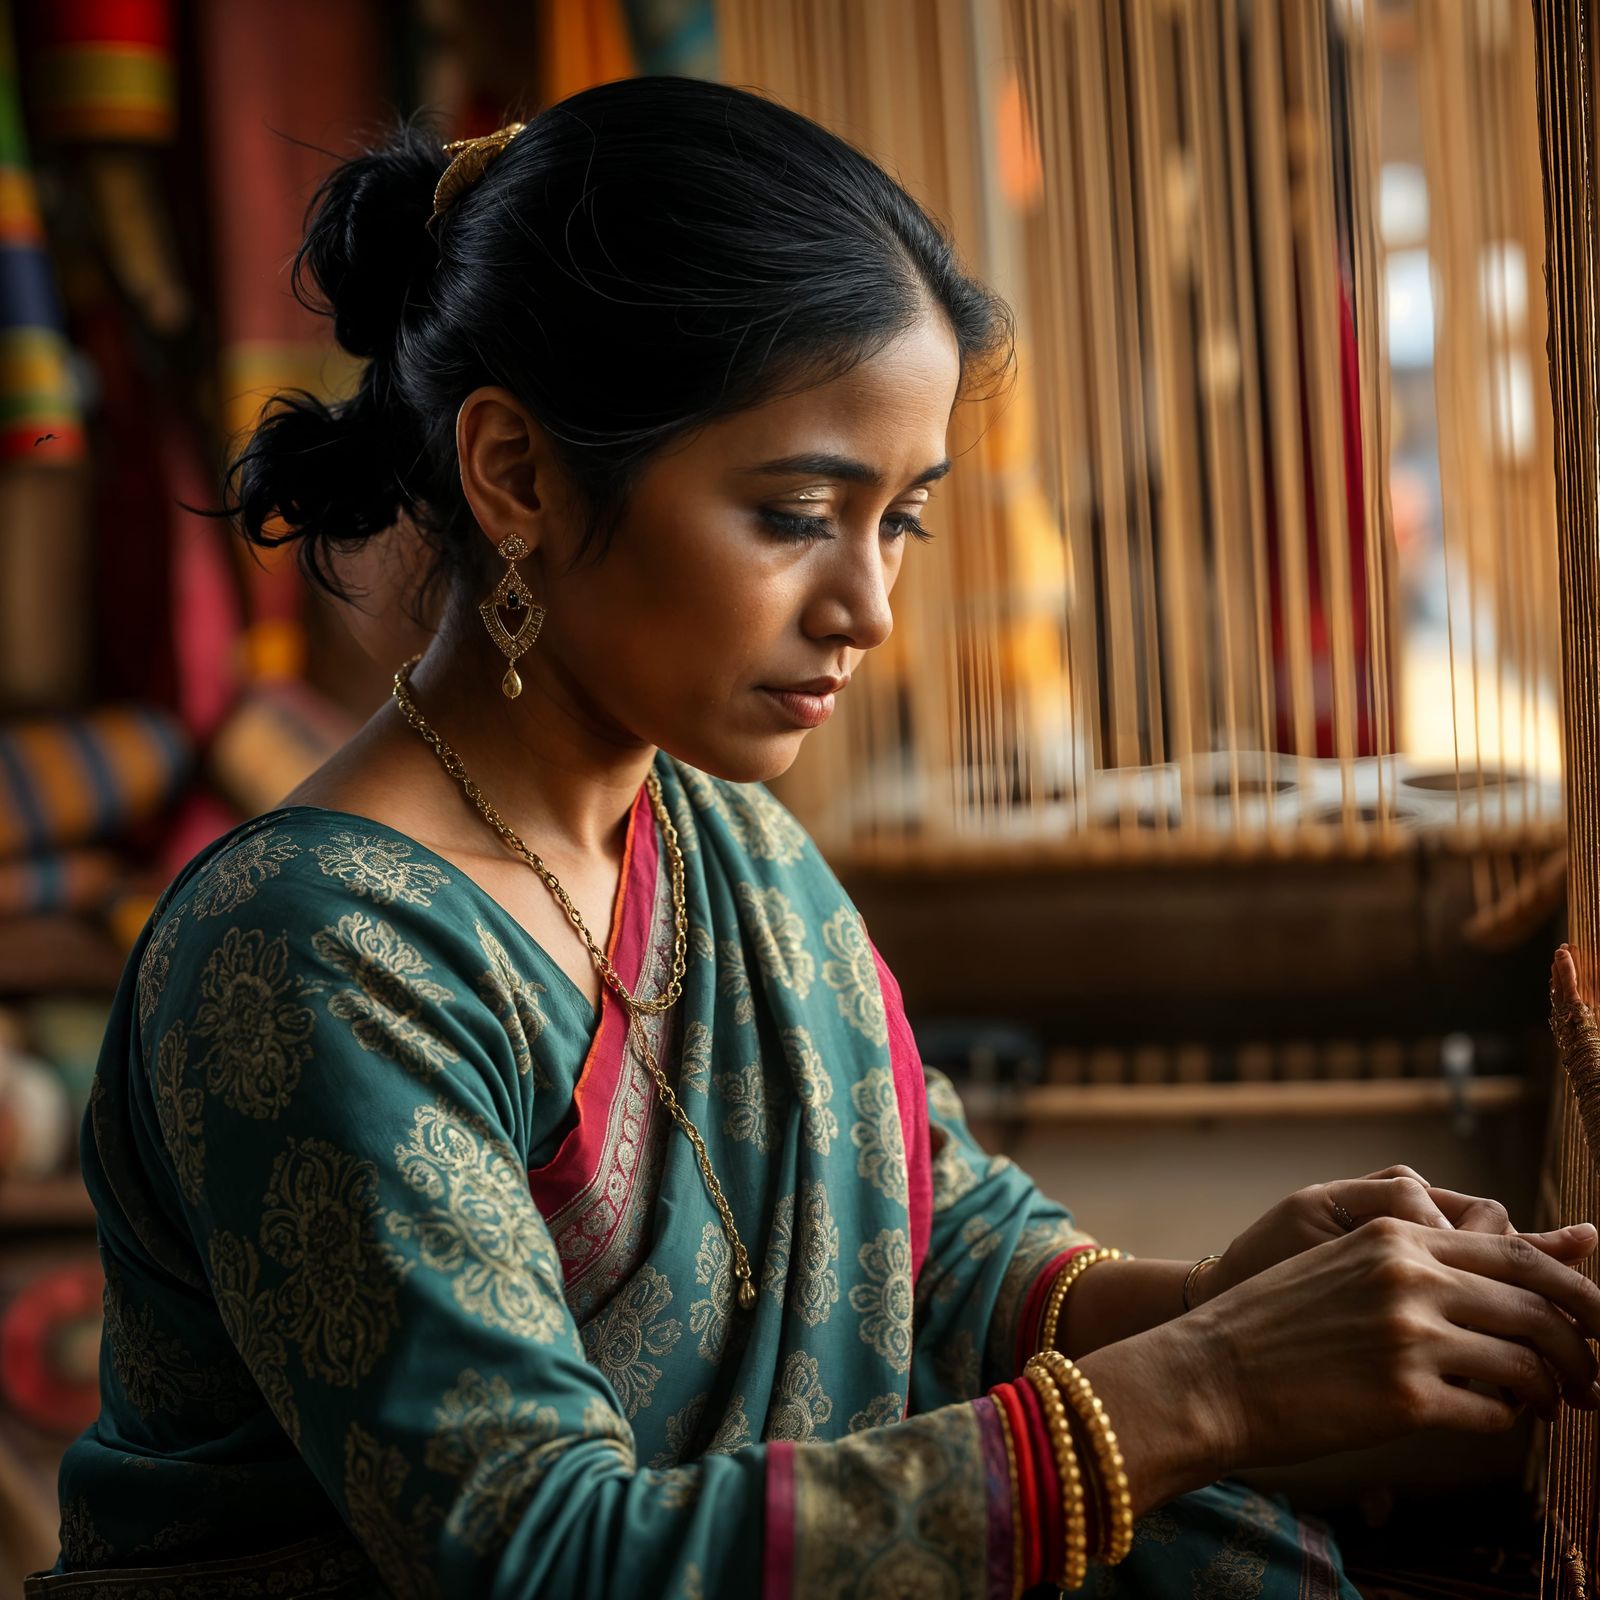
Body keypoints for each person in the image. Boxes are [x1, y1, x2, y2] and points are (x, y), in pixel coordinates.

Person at [31, 76, 1600, 1600]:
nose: (870, 609)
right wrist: (1219, 1387)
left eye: (898, 518)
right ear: (514, 472)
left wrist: (1233, 1301)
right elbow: (542, 1554)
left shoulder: (722, 843)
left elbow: (945, 1257)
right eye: (795, 513)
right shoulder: (314, 953)